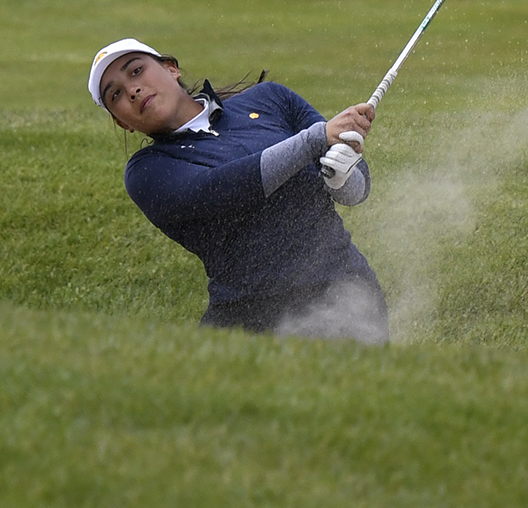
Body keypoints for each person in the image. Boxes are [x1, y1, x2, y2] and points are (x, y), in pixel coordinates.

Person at [90, 38, 389, 343]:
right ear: (122, 122)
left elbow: (356, 191)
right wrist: (315, 140)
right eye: (116, 94)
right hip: (251, 319)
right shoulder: (146, 171)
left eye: (137, 71)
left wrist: (340, 175)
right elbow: (219, 190)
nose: (132, 89)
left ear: (171, 70)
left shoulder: (271, 99)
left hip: (347, 295)